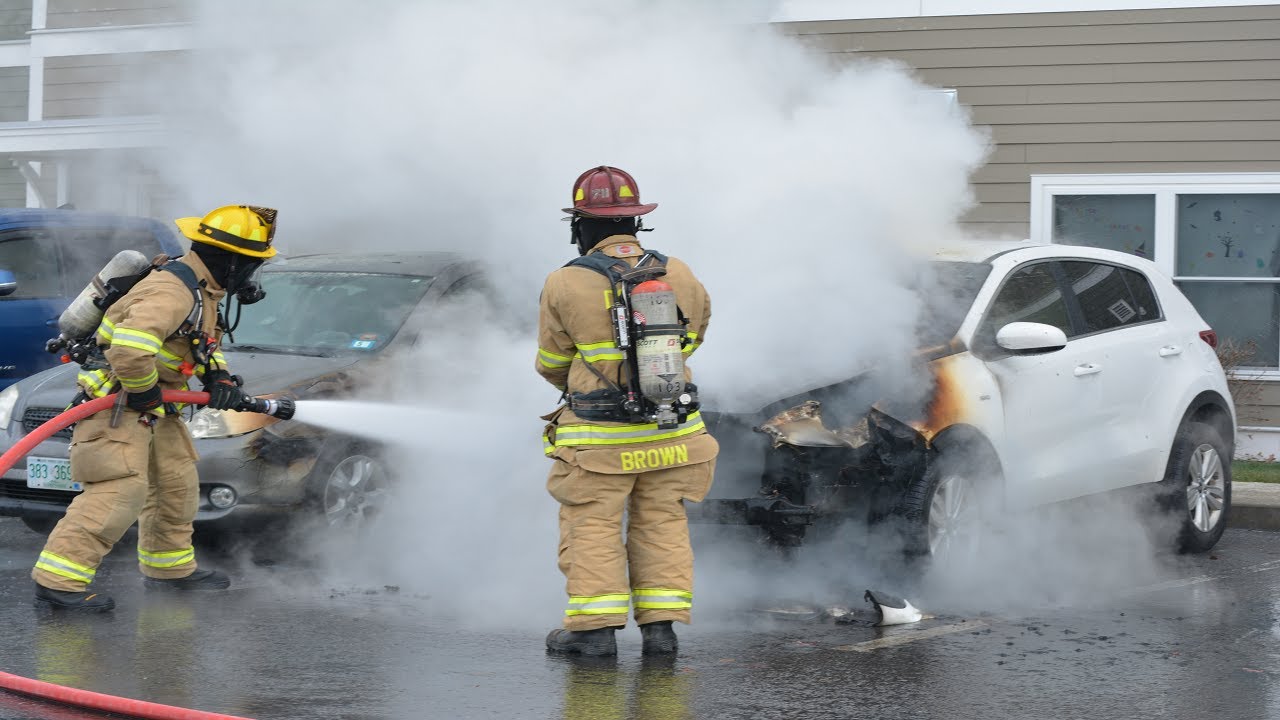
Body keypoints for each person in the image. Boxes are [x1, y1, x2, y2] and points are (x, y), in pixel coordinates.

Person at [32, 205, 278, 612]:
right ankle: (59, 583)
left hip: (153, 404)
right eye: (253, 265)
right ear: (233, 261)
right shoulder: (171, 290)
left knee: (174, 485)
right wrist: (146, 393)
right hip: (118, 404)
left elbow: (200, 344)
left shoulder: (203, 289)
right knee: (118, 490)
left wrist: (218, 378)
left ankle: (170, 571)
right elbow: (130, 351)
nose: (253, 276)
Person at [537, 166, 718, 656]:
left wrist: (592, 381)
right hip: (673, 435)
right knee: (662, 524)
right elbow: (692, 338)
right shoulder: (676, 272)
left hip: (600, 442)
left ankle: (595, 635)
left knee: (592, 525)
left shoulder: (564, 282)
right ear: (636, 223)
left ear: (581, 226)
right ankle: (661, 634)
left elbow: (550, 362)